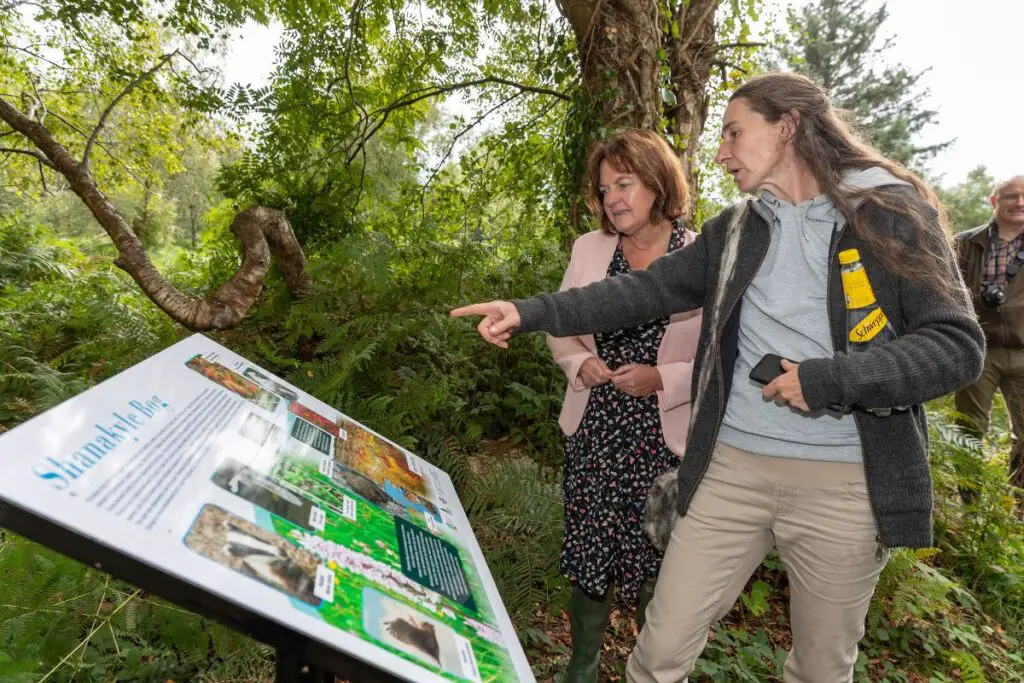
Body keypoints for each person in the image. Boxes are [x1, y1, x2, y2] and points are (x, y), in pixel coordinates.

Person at [451, 72, 984, 683]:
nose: (722, 152)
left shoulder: (888, 213)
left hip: (844, 483)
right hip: (731, 468)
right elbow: (642, 289)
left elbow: (955, 347)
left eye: (734, 133)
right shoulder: (735, 229)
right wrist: (528, 312)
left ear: (787, 128)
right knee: (657, 654)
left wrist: (828, 380)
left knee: (819, 668)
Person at [545, 130, 702, 683]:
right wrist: (576, 364)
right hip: (595, 428)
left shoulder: (699, 255)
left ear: (658, 184)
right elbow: (560, 328)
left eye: (625, 183)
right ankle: (581, 669)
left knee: (657, 565)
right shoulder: (590, 249)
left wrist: (663, 376)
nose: (613, 197)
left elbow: (720, 359)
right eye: (605, 187)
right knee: (590, 558)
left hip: (663, 439)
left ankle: (650, 671)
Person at [954, 176, 1024, 492]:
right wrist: (980, 301)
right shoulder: (965, 243)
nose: (1019, 202)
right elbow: (946, 295)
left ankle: (1016, 510)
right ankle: (967, 509)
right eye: (1011, 196)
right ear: (994, 201)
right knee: (969, 430)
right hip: (977, 349)